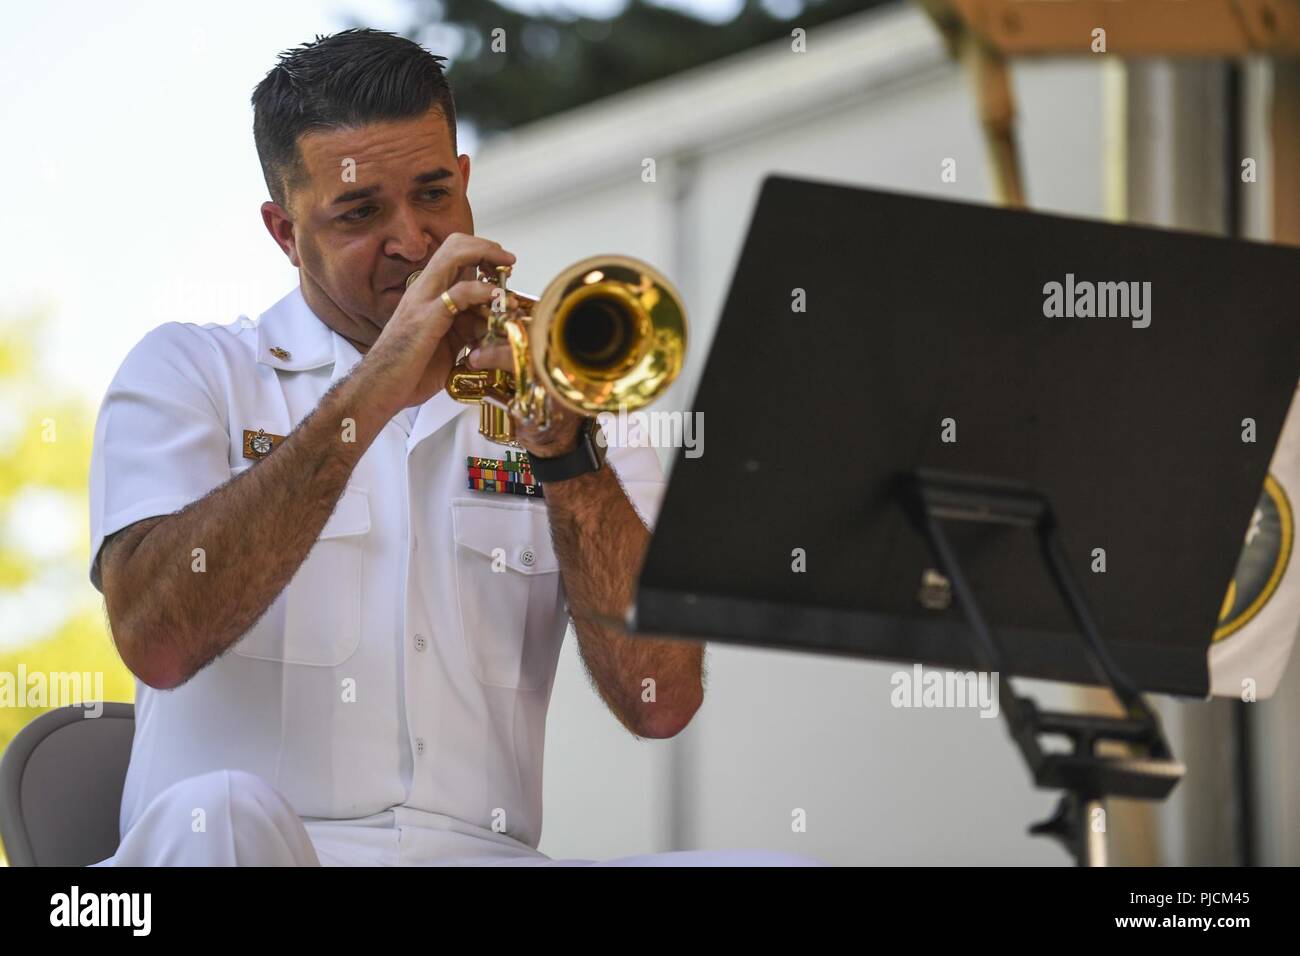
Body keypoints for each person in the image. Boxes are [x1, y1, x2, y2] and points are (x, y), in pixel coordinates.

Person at [88, 27, 817, 867]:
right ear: (285, 234)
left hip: (483, 856)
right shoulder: (191, 369)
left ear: (466, 180)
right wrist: (375, 390)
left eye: (434, 194)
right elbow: (156, 639)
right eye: (361, 213)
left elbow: (660, 700)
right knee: (218, 815)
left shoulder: (569, 380)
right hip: (263, 851)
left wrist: (566, 452)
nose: (414, 239)